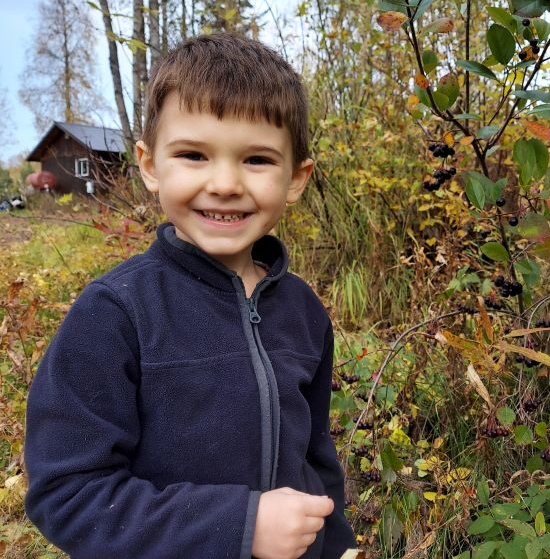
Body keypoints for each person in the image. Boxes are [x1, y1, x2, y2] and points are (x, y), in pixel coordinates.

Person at [24, 32, 357, 559]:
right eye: (194, 154)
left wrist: (334, 544)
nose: (224, 183)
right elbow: (68, 495)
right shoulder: (115, 314)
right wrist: (241, 526)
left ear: (297, 178)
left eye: (257, 160)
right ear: (151, 164)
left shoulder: (303, 311)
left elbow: (315, 458)